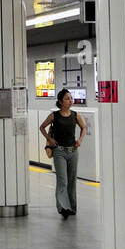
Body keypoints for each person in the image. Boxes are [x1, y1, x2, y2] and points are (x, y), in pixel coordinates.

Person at [40, 88, 87, 218]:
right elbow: (42, 127)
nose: (70, 101)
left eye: (71, 98)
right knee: (63, 181)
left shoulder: (75, 115)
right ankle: (63, 208)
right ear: (60, 101)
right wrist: (49, 139)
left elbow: (83, 127)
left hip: (73, 151)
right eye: (67, 98)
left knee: (72, 181)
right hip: (59, 152)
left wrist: (80, 140)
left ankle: (72, 208)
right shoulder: (54, 115)